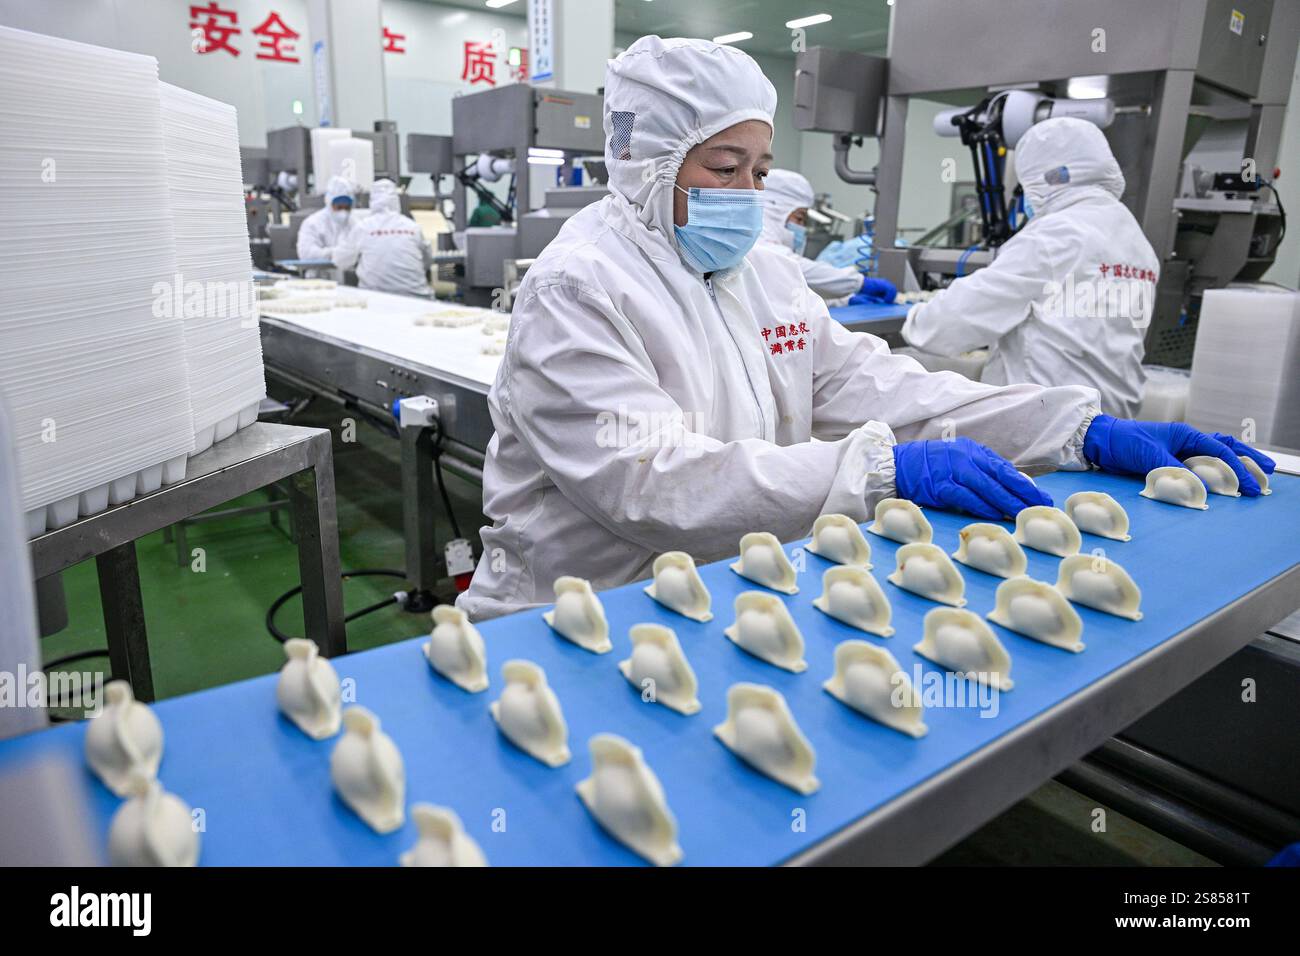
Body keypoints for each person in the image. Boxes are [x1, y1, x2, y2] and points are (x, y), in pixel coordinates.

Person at [456, 36, 1272, 622]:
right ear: (649, 162)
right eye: (722, 168)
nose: (746, 191)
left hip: (714, 595)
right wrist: (880, 471)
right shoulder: (580, 285)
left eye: (760, 170)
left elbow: (873, 384)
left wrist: (1072, 425)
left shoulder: (759, 272)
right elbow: (651, 482)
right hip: (572, 616)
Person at [901, 117, 1158, 418]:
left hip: (1051, 421)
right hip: (1115, 420)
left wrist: (916, 318)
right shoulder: (1134, 237)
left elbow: (949, 324)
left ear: (1045, 179)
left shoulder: (1055, 234)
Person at [759, 168, 896, 306]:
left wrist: (843, 301)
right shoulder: (758, 240)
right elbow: (794, 268)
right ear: (775, 209)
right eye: (799, 218)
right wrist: (859, 283)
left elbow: (795, 297)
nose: (802, 227)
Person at [333, 178, 433, 297]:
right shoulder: (412, 227)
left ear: (372, 201)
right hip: (418, 298)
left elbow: (340, 260)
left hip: (377, 299)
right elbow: (427, 261)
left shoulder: (363, 227)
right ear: (397, 201)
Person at [296, 175, 357, 263]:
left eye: (347, 207)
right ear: (329, 203)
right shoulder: (313, 223)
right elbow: (306, 253)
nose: (343, 212)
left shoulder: (354, 223)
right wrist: (336, 253)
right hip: (319, 274)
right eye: (339, 207)